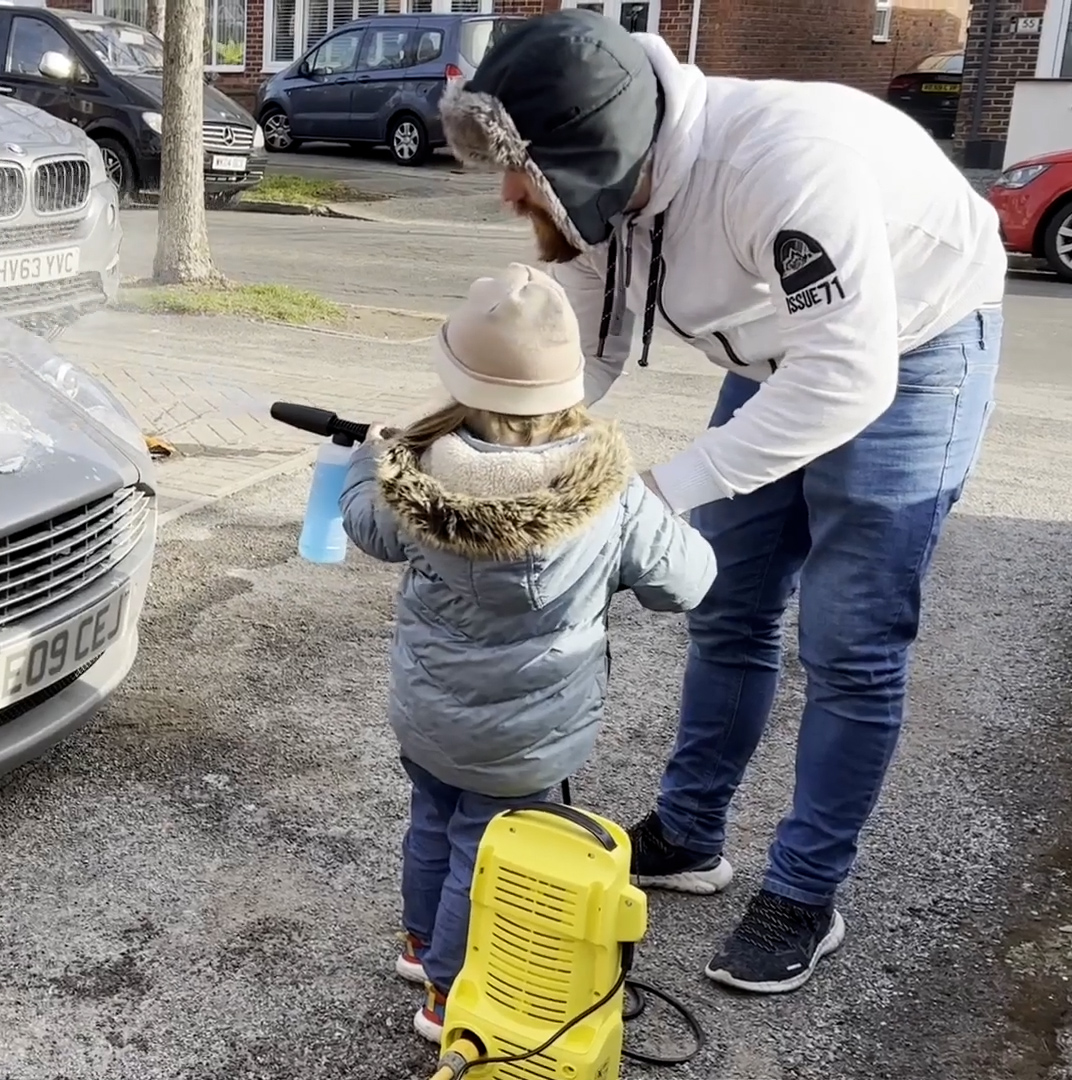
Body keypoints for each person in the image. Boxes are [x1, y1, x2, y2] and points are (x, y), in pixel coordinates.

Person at [436, 10, 1005, 995]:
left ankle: (804, 891)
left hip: (907, 351)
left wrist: (654, 492)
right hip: (776, 346)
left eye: (522, 174)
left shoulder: (783, 166)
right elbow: (582, 347)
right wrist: (469, 446)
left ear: (596, 152)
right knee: (728, 604)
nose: (509, 195)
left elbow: (846, 375)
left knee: (851, 640)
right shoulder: (612, 188)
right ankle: (692, 836)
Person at [339, 262, 716, 1043]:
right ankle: (447, 991)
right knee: (485, 855)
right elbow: (686, 583)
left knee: (432, 823)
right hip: (530, 741)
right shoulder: (607, 494)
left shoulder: (413, 477)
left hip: (426, 713)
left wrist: (363, 461)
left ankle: (418, 945)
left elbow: (364, 526)